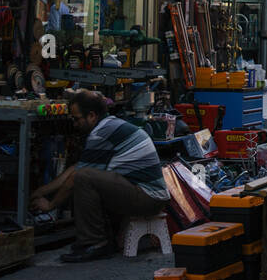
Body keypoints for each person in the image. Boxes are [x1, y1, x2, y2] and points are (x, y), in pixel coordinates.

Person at [32, 90, 170, 262]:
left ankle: (95, 243)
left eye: (76, 119)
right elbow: (76, 168)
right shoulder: (109, 125)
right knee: (85, 175)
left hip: (149, 198)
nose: (74, 124)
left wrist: (50, 205)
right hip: (146, 194)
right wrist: (41, 191)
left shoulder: (101, 133)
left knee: (84, 179)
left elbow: (77, 177)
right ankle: (99, 239)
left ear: (91, 116)